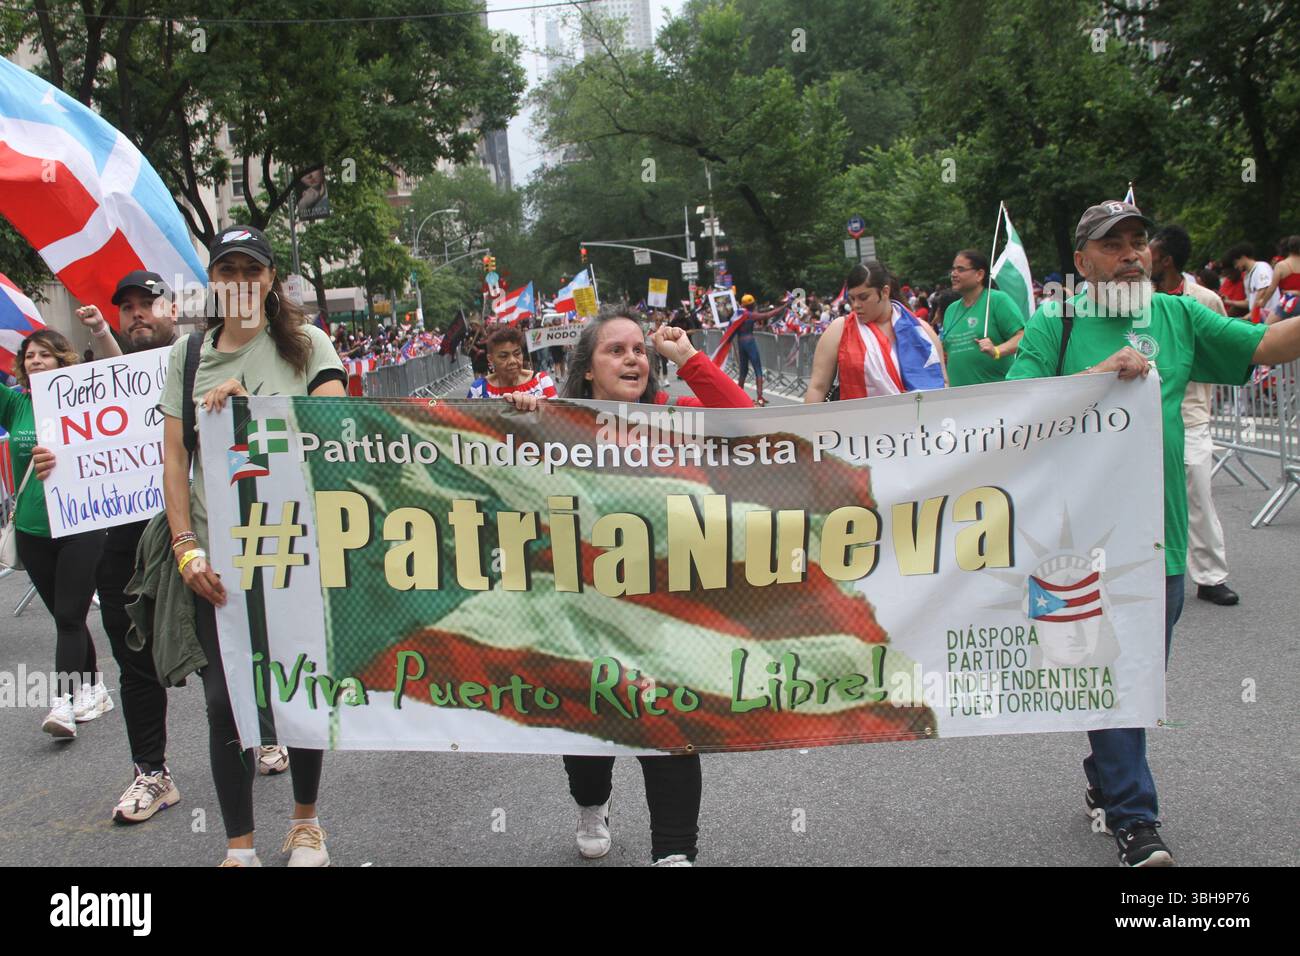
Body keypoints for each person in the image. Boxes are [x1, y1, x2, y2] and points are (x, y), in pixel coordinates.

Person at [1006, 200, 1300, 866]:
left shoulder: (1176, 314)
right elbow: (1017, 415)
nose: (1132, 252)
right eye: (1113, 245)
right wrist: (1099, 375)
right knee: (1112, 673)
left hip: (1158, 540)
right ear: (1082, 262)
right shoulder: (1058, 319)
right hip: (1075, 539)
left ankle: (1107, 778)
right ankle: (1136, 820)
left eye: (1140, 240)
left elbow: (1265, 345)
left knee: (1136, 679)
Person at [504, 306, 752, 866]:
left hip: (666, 608)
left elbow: (745, 421)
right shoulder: (560, 421)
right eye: (615, 350)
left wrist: (688, 358)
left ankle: (673, 852)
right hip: (583, 608)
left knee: (669, 729)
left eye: (639, 348)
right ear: (587, 369)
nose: (632, 358)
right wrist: (519, 418)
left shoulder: (676, 416)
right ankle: (592, 803)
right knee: (591, 738)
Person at [158, 225, 347, 866]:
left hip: (296, 551)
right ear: (212, 282)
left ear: (271, 282)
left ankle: (305, 823)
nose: (239, 282)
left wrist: (255, 413)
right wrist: (187, 550)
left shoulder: (308, 346)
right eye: (226, 271)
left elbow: (335, 434)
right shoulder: (186, 359)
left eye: (252, 270)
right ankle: (240, 846)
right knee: (225, 700)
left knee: (299, 689)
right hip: (219, 561)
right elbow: (174, 463)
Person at [31, 272, 187, 820]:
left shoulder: (200, 362)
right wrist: (53, 463)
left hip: (198, 531)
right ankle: (151, 772)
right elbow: (67, 451)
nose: (138, 313)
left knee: (226, 646)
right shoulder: (92, 385)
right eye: (129, 308)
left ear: (172, 310)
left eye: (149, 304)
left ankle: (259, 733)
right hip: (123, 543)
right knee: (133, 659)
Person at [0, 329, 108, 738]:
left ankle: (62, 702)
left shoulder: (86, 401)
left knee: (67, 616)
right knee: (70, 615)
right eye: (29, 356)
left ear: (62, 359)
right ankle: (95, 686)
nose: (35, 360)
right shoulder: (14, 403)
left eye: (45, 354)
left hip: (81, 525)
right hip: (32, 528)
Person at [1149, 226, 1239, 607]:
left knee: (1198, 495)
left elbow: (1223, 348)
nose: (1139, 256)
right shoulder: (1139, 301)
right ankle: (1149, 567)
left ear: (1166, 260)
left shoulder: (1204, 300)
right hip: (1144, 414)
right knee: (1144, 495)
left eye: (1146, 249)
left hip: (1190, 413)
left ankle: (1210, 575)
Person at [804, 261, 947, 403]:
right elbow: (818, 387)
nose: (856, 305)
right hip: (858, 422)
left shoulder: (922, 331)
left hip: (916, 422)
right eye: (852, 298)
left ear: (885, 292)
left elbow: (943, 384)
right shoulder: (839, 329)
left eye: (863, 297)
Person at [941, 249, 1026, 386]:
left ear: (979, 274)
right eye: (953, 269)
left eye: (960, 269)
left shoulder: (997, 300)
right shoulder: (951, 310)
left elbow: (1023, 337)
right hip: (957, 398)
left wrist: (997, 350)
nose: (953, 274)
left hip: (994, 395)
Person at [466, 326, 557, 399]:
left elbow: (557, 418)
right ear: (490, 359)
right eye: (503, 356)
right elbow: (469, 421)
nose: (512, 361)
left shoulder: (542, 381)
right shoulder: (478, 389)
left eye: (517, 354)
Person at [730, 293, 788, 406]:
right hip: (750, 342)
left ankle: (738, 397)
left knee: (743, 371)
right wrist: (784, 306)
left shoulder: (737, 315)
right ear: (752, 305)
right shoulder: (749, 315)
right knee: (758, 369)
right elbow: (768, 314)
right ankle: (760, 397)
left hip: (740, 343)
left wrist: (735, 349)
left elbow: (732, 332)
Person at [1226, 242, 1277, 324]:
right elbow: (1249, 302)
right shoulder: (1247, 277)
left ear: (1243, 257)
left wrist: (1250, 314)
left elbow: (1263, 290)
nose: (1236, 267)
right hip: (1258, 318)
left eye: (1236, 263)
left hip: (1269, 317)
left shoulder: (1261, 267)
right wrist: (1229, 301)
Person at [1254, 235, 1300, 322]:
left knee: (1267, 328)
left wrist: (1263, 302)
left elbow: (1272, 288)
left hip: (1287, 301)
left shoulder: (1281, 265)